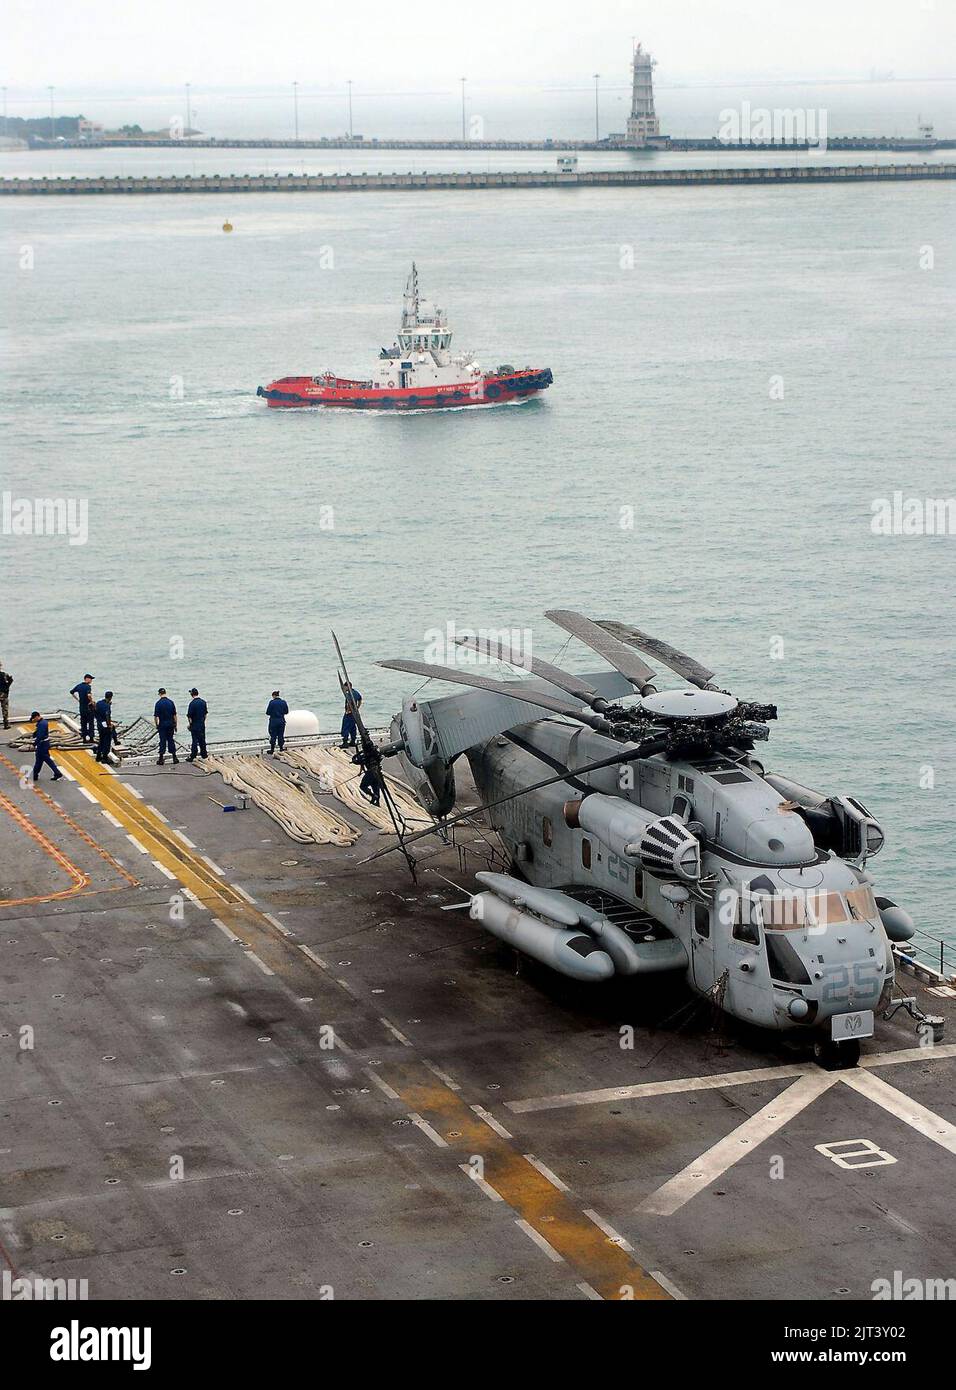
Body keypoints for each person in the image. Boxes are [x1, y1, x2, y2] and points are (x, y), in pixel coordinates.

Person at [30, 712, 63, 783]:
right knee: (39, 759)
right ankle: (35, 775)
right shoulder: (43, 722)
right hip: (44, 744)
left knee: (46, 760)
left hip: (42, 744)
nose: (33, 720)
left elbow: (40, 735)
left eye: (34, 718)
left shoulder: (41, 724)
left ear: (37, 716)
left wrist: (34, 744)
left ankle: (57, 773)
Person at [154, 688, 179, 765]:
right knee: (171, 740)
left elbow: (156, 717)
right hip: (170, 724)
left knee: (162, 741)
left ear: (159, 694)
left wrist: (157, 725)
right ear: (165, 693)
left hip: (162, 725)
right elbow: (174, 715)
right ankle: (174, 757)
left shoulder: (158, 703)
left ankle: (161, 759)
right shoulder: (171, 702)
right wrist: (175, 725)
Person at [69, 674, 96, 742]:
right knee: (90, 723)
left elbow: (71, 692)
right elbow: (89, 695)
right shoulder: (88, 687)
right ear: (86, 679)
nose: (91, 680)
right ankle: (91, 738)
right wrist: (92, 701)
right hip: (88, 708)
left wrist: (78, 700)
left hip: (82, 708)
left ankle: (84, 738)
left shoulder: (79, 686)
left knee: (83, 723)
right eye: (90, 679)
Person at [186, 687, 208, 762]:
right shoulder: (203, 702)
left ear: (192, 694)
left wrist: (190, 724)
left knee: (194, 740)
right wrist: (202, 721)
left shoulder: (192, 704)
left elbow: (189, 716)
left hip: (195, 725)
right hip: (201, 724)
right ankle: (204, 754)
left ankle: (193, 755)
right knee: (202, 740)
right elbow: (205, 714)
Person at [94, 690, 116, 762]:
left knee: (101, 740)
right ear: (110, 697)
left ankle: (98, 756)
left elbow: (94, 710)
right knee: (107, 741)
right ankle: (105, 758)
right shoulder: (107, 706)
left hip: (99, 724)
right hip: (105, 726)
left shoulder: (99, 703)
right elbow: (107, 715)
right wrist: (109, 725)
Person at [266, 690, 289, 754]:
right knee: (281, 735)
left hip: (273, 721)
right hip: (281, 721)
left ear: (273, 696)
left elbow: (267, 712)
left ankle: (272, 749)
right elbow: (286, 712)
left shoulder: (272, 702)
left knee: (273, 735)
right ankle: (281, 748)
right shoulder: (283, 702)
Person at [0, 661, 12, 730]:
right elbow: (10, 680)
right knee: (5, 709)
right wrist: (7, 687)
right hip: (3, 694)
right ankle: (6, 724)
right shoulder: (4, 674)